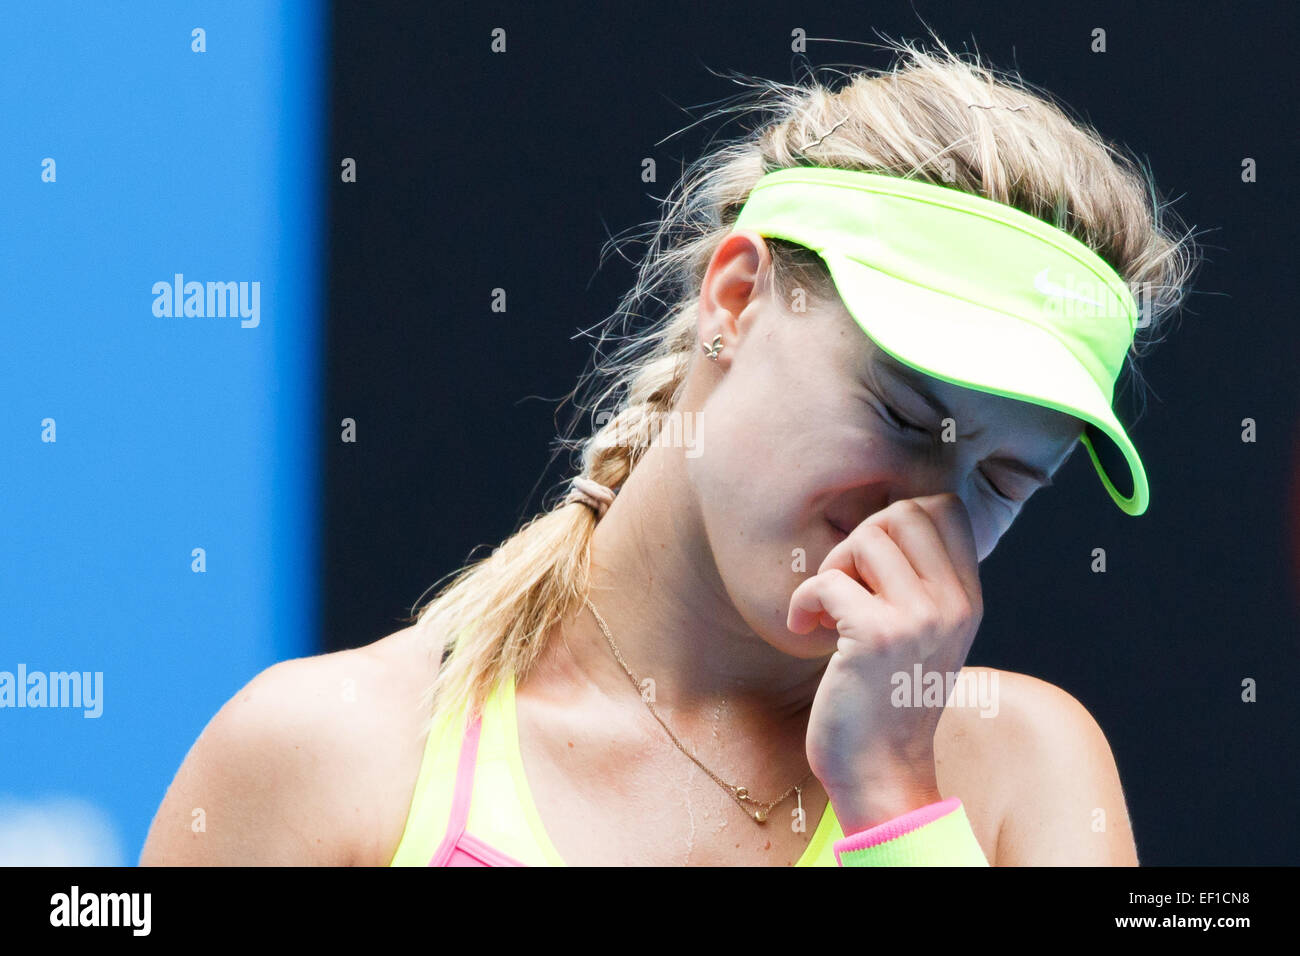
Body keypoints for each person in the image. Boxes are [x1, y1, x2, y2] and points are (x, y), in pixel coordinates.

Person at [141, 35, 1197, 866]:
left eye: (1003, 480)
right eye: (902, 417)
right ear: (735, 299)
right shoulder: (316, 750)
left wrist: (894, 798)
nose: (915, 518)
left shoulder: (1030, 769)